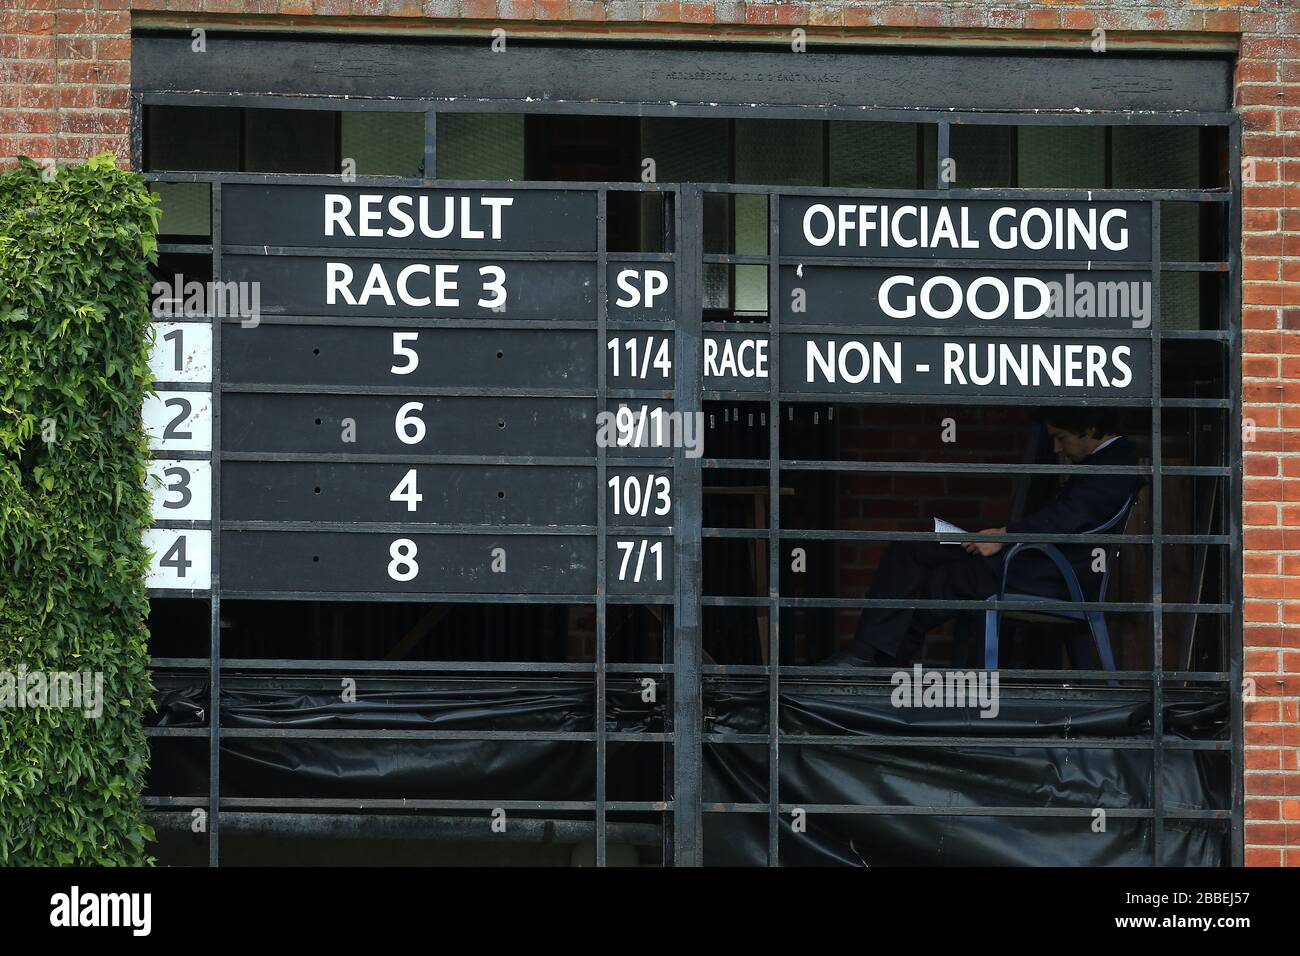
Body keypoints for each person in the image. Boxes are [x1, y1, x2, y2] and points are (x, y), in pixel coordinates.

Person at [822, 407, 1144, 668]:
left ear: (1088, 429)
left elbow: (1067, 519)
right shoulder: (1106, 461)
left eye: (1060, 438)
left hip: (1052, 574)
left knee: (937, 584)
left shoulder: (1117, 463)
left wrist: (1004, 537)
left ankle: (875, 664)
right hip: (1034, 560)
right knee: (910, 551)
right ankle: (867, 655)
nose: (1057, 448)